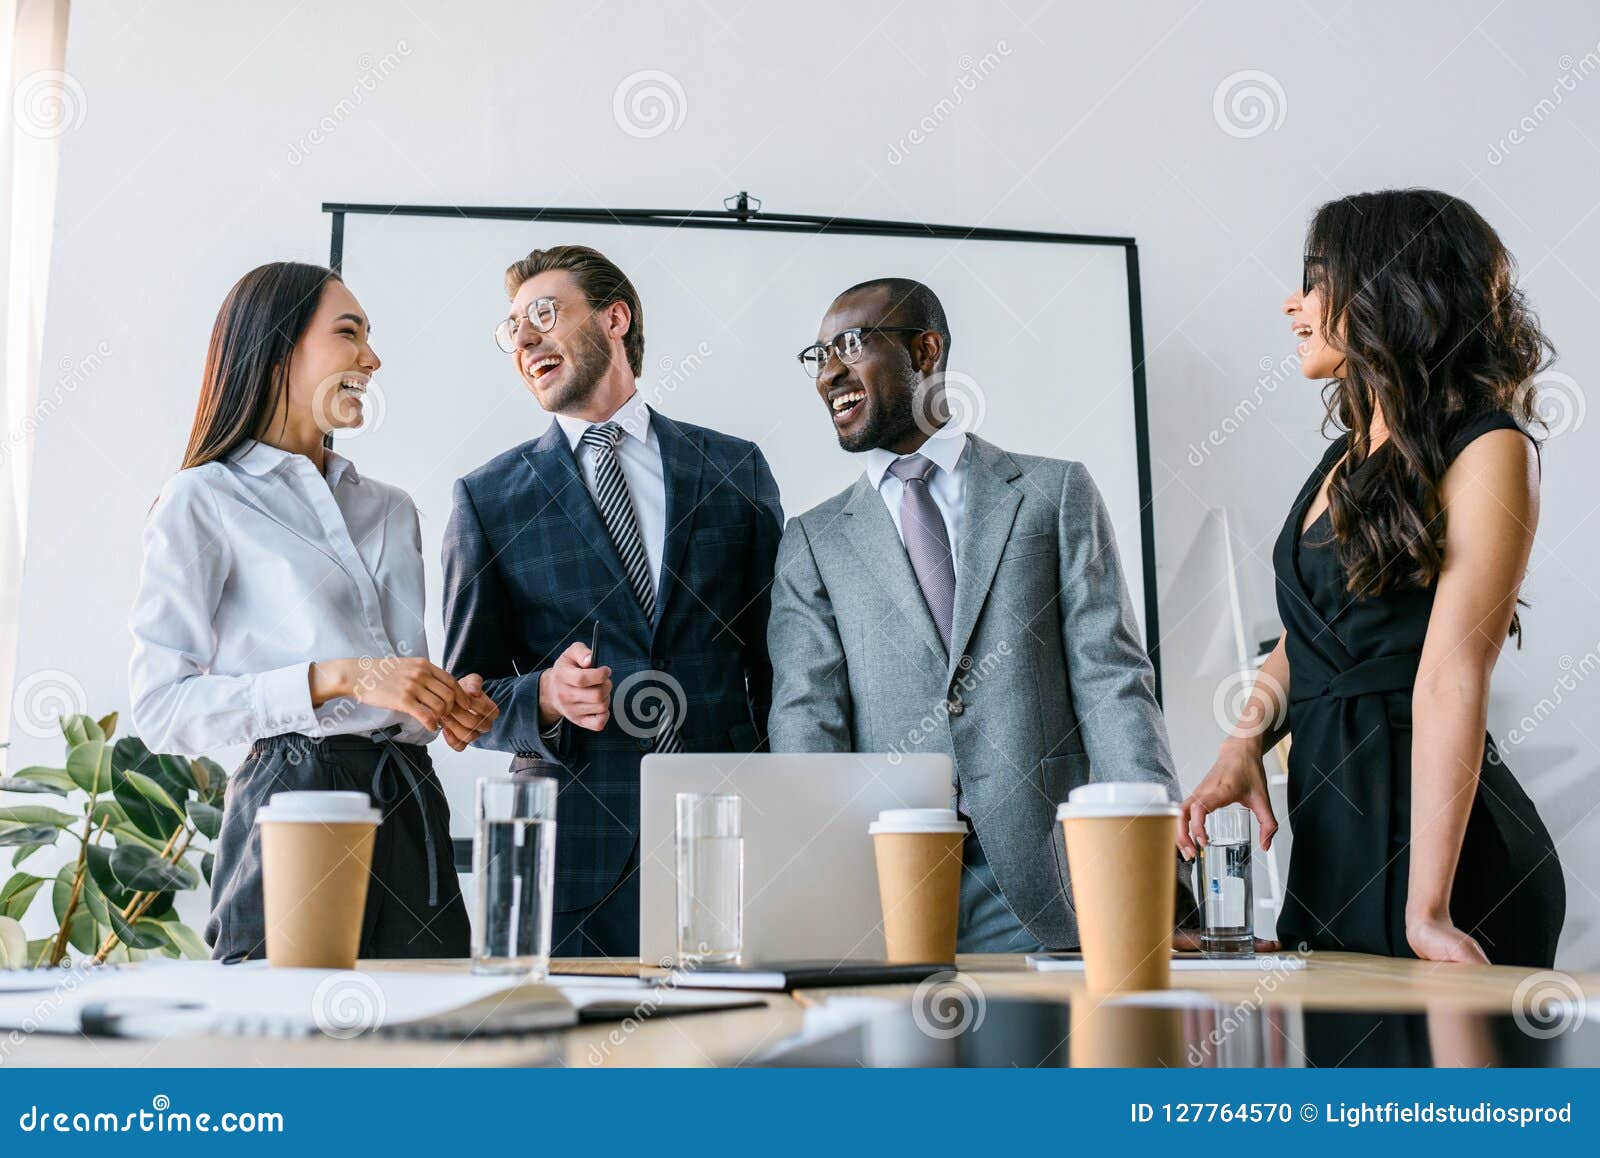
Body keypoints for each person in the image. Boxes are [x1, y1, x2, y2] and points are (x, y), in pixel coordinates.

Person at [1179, 189, 1566, 967]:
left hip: (1444, 856)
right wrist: (1241, 744)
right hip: (1332, 837)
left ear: (1392, 290)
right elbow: (1313, 634)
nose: (1294, 304)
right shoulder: (1345, 458)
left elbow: (1452, 677)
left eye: (1317, 280)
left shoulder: (1489, 447)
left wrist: (1427, 912)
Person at [767, 277, 1196, 952]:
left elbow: (1111, 683)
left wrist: (1156, 868)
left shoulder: (1052, 495)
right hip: (888, 890)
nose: (828, 374)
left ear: (927, 350)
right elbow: (806, 725)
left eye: (849, 345)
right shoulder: (814, 540)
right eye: (816, 356)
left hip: (1051, 884)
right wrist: (821, 896)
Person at [129, 262, 497, 962]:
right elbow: (161, 708)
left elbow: (386, 675)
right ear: (278, 350)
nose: (373, 358)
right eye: (349, 333)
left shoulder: (388, 508)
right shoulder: (202, 500)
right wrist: (338, 677)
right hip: (294, 795)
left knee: (431, 1047)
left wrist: (440, 703)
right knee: (286, 1048)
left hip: (410, 799)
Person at [442, 244, 782, 958]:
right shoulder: (487, 498)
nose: (525, 339)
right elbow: (464, 697)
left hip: (728, 838)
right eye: (512, 329)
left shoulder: (733, 467)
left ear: (614, 318)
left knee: (737, 1058)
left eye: (543, 314)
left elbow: (778, 660)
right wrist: (543, 695)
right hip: (572, 859)